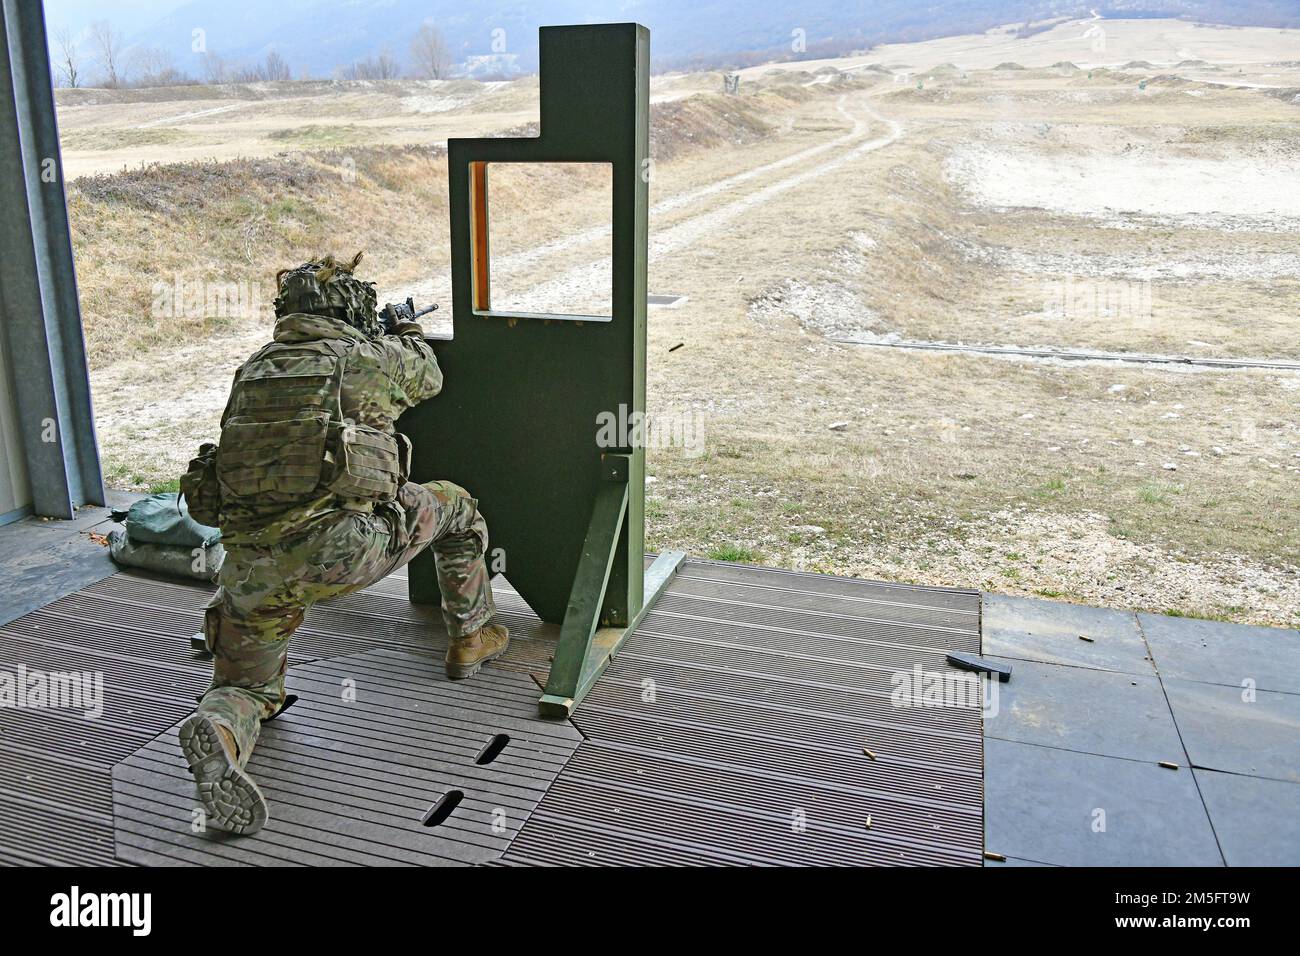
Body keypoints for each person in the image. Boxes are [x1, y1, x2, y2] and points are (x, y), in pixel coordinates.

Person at [176, 252, 508, 835]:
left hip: (250, 565)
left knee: (246, 684)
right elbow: (427, 373)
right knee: (457, 507)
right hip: (342, 549)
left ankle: (224, 730)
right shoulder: (363, 358)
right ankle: (471, 637)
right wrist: (403, 329)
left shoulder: (253, 369)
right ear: (353, 310)